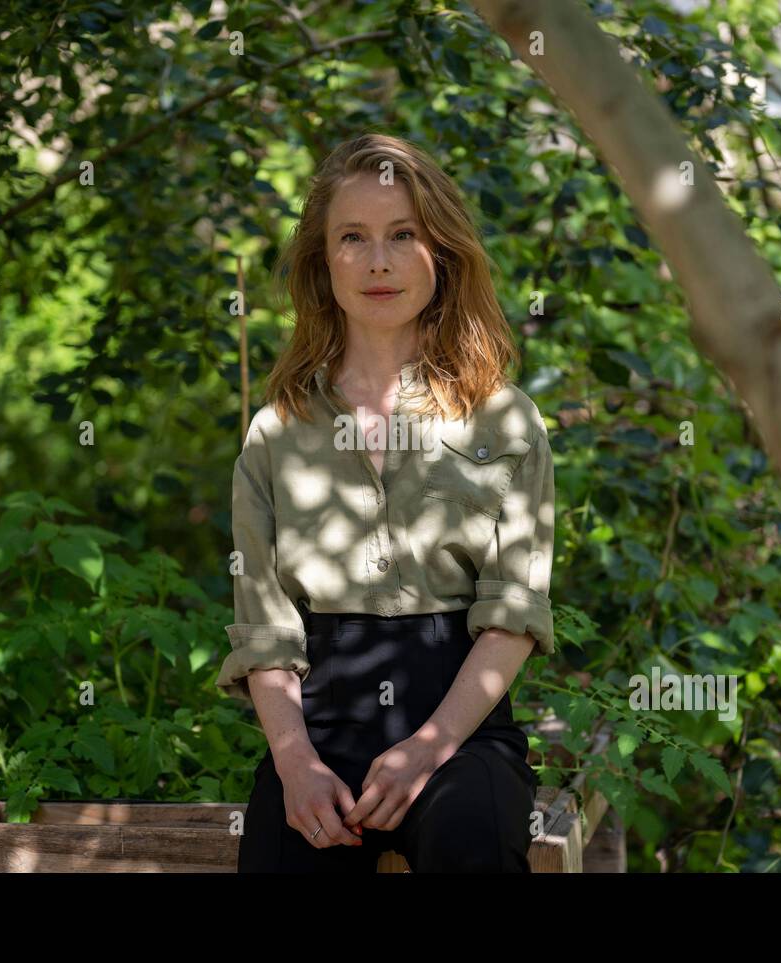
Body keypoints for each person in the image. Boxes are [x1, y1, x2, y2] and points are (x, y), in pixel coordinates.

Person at [216, 133, 556, 873]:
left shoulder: (505, 421)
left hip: (459, 729)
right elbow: (265, 630)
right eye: (353, 238)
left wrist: (428, 748)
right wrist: (295, 762)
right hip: (319, 730)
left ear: (442, 254)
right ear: (322, 261)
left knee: (472, 841)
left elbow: (513, 614)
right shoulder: (276, 431)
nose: (378, 261)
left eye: (404, 235)